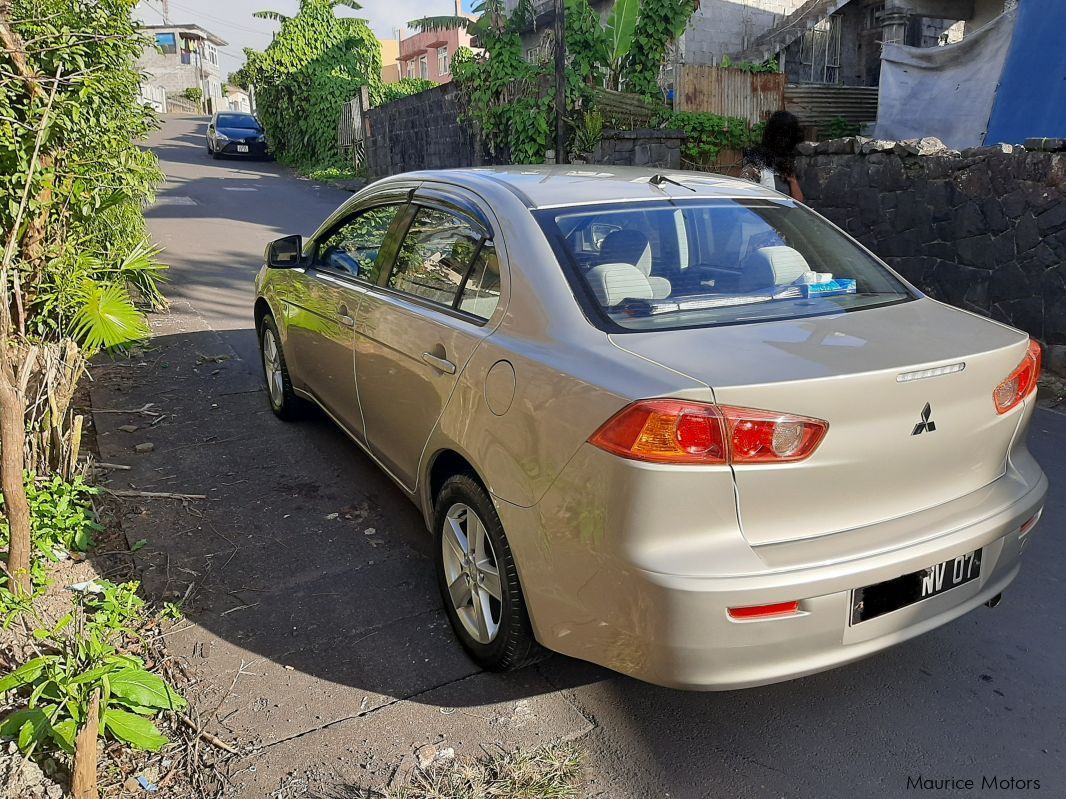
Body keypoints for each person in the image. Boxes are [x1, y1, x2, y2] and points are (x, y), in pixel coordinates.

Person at [740, 110, 805, 202]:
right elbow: (743, 199)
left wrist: (792, 180)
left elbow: (799, 203)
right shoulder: (756, 163)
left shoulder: (788, 163)